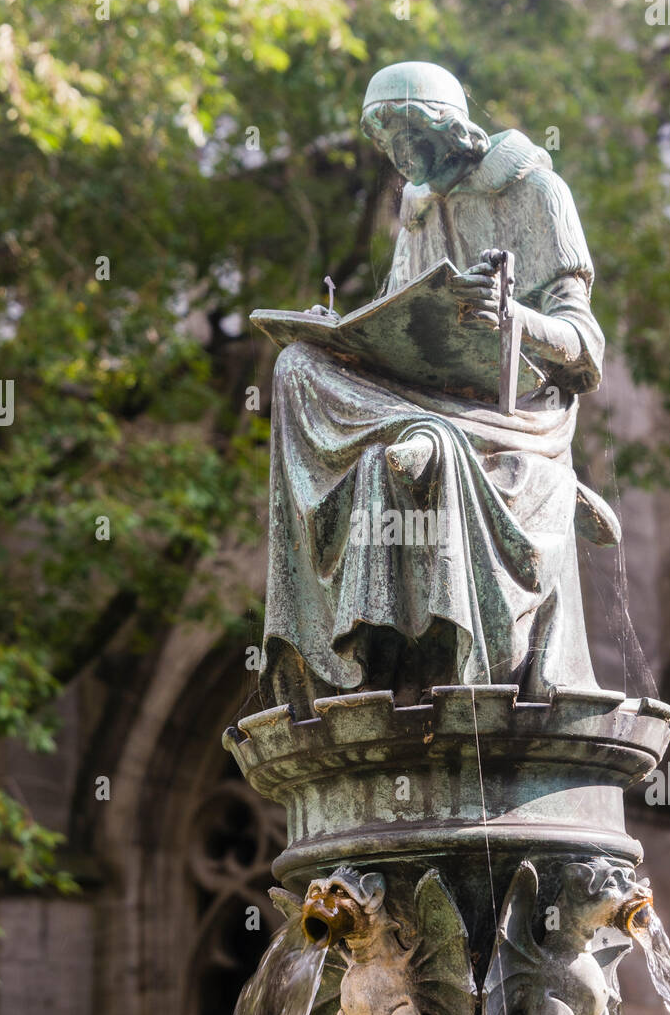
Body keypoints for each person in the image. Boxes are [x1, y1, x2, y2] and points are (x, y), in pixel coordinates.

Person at [259, 62, 619, 717]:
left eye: (408, 137)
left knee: (418, 446)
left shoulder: (535, 190)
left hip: (513, 406)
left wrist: (513, 318)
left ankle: (440, 446)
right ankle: (414, 438)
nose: (399, 158)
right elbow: (406, 316)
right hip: (420, 397)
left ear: (446, 127)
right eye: (387, 144)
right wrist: (340, 336)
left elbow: (585, 349)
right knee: (296, 367)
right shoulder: (417, 207)